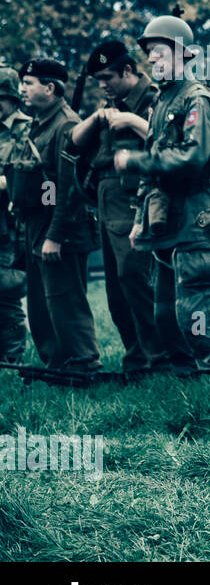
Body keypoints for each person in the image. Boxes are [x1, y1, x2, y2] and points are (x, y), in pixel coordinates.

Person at [114, 14, 210, 384]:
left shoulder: (196, 97)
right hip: (165, 219)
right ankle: (189, 379)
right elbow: (156, 166)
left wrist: (135, 160)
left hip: (195, 216)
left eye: (160, 50)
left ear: (184, 53)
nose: (152, 58)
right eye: (150, 52)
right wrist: (139, 220)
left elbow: (194, 156)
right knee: (166, 312)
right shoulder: (163, 99)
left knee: (198, 308)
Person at [68, 40, 169, 376]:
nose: (102, 85)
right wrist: (100, 116)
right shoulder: (110, 105)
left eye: (107, 77)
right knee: (116, 290)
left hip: (134, 203)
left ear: (128, 70)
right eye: (97, 79)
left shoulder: (153, 100)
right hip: (107, 205)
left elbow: (168, 146)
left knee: (137, 282)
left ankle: (159, 360)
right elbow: (74, 143)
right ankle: (136, 359)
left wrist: (131, 120)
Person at [15, 59, 100, 370]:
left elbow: (67, 189)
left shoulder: (65, 125)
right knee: (40, 304)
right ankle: (57, 363)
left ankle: (84, 362)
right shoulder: (40, 123)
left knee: (65, 300)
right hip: (36, 224)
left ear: (50, 88)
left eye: (29, 83)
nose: (22, 89)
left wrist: (55, 235)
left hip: (60, 227)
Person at [0, 67, 35, 362]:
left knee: (6, 291)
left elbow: (36, 178)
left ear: (13, 98)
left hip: (11, 225)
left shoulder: (28, 129)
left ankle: (12, 358)